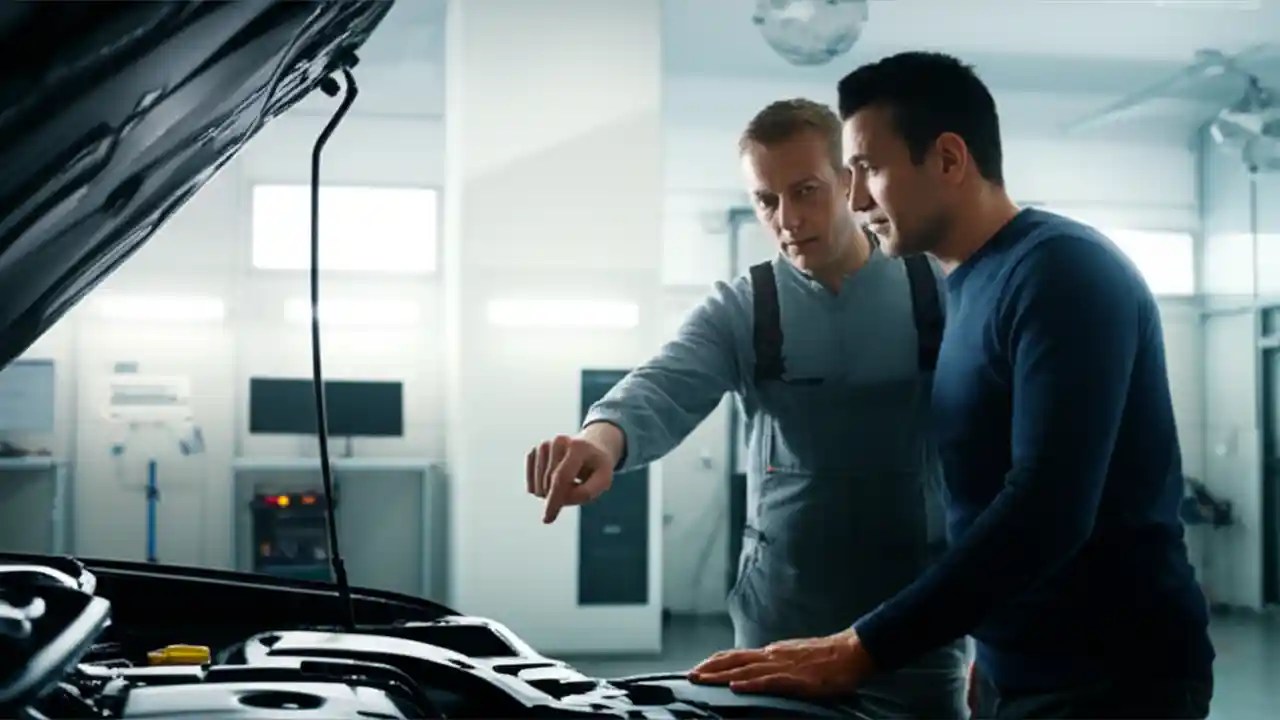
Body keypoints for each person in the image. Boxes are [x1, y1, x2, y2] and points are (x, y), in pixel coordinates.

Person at [688, 51, 1216, 720]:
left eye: (870, 171)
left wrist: (861, 648)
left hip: (1110, 681)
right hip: (1019, 671)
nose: (855, 201)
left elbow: (1048, 509)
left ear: (947, 159)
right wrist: (987, 656)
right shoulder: (969, 284)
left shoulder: (1062, 274)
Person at [525, 98, 968, 718]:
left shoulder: (937, 290)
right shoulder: (747, 306)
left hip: (913, 626)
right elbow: (661, 384)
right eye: (767, 200)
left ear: (847, 182)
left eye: (806, 190)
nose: (787, 218)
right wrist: (600, 439)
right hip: (781, 623)